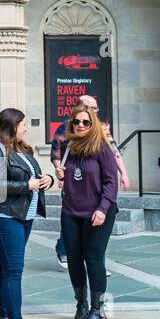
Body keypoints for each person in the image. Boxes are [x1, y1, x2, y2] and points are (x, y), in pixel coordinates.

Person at [0, 108, 54, 319]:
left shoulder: (20, 148)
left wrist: (46, 180)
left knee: (4, 267)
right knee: (13, 269)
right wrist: (28, 184)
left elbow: (35, 175)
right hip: (3, 215)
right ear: (12, 125)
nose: (25, 128)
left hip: (22, 215)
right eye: (22, 124)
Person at [60, 104, 119, 319]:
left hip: (97, 212)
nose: (81, 125)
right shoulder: (68, 146)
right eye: (77, 122)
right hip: (71, 211)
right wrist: (60, 174)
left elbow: (111, 182)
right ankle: (81, 304)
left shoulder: (101, 148)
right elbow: (72, 176)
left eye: (86, 122)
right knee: (74, 259)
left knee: (93, 258)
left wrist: (103, 209)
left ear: (93, 125)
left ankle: (98, 309)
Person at [51, 93, 101, 267]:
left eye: (96, 108)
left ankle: (93, 260)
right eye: (91, 108)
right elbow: (56, 154)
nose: (95, 111)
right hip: (73, 184)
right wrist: (61, 173)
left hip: (93, 186)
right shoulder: (66, 128)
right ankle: (64, 250)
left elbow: (111, 153)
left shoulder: (99, 128)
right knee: (71, 218)